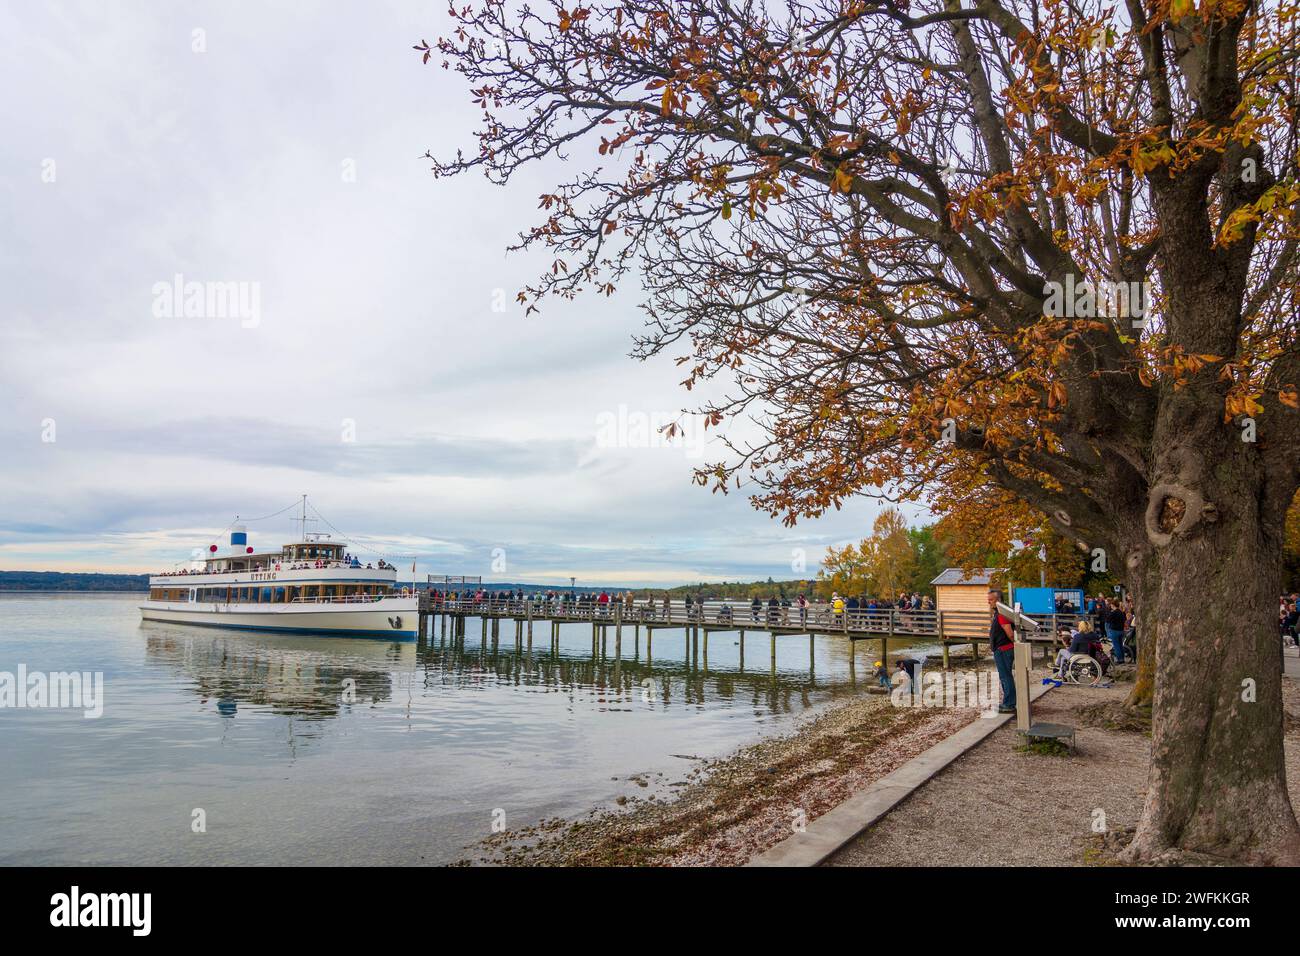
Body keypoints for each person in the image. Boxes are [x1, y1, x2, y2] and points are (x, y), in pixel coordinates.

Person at [987, 588, 1016, 713]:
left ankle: (1009, 704)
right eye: (988, 600)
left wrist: (1014, 644)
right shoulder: (999, 612)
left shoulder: (1002, 613)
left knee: (1005, 676)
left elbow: (1009, 633)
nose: (989, 602)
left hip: (1004, 649)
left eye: (991, 600)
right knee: (1005, 676)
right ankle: (1008, 702)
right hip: (1002, 649)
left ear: (998, 600)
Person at [1105, 598, 1128, 664]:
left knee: (1116, 646)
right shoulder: (1121, 612)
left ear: (1113, 605)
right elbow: (1125, 619)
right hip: (1121, 630)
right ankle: (1122, 659)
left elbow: (1107, 620)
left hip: (1114, 630)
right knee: (1121, 645)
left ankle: (1119, 660)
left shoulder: (1113, 613)